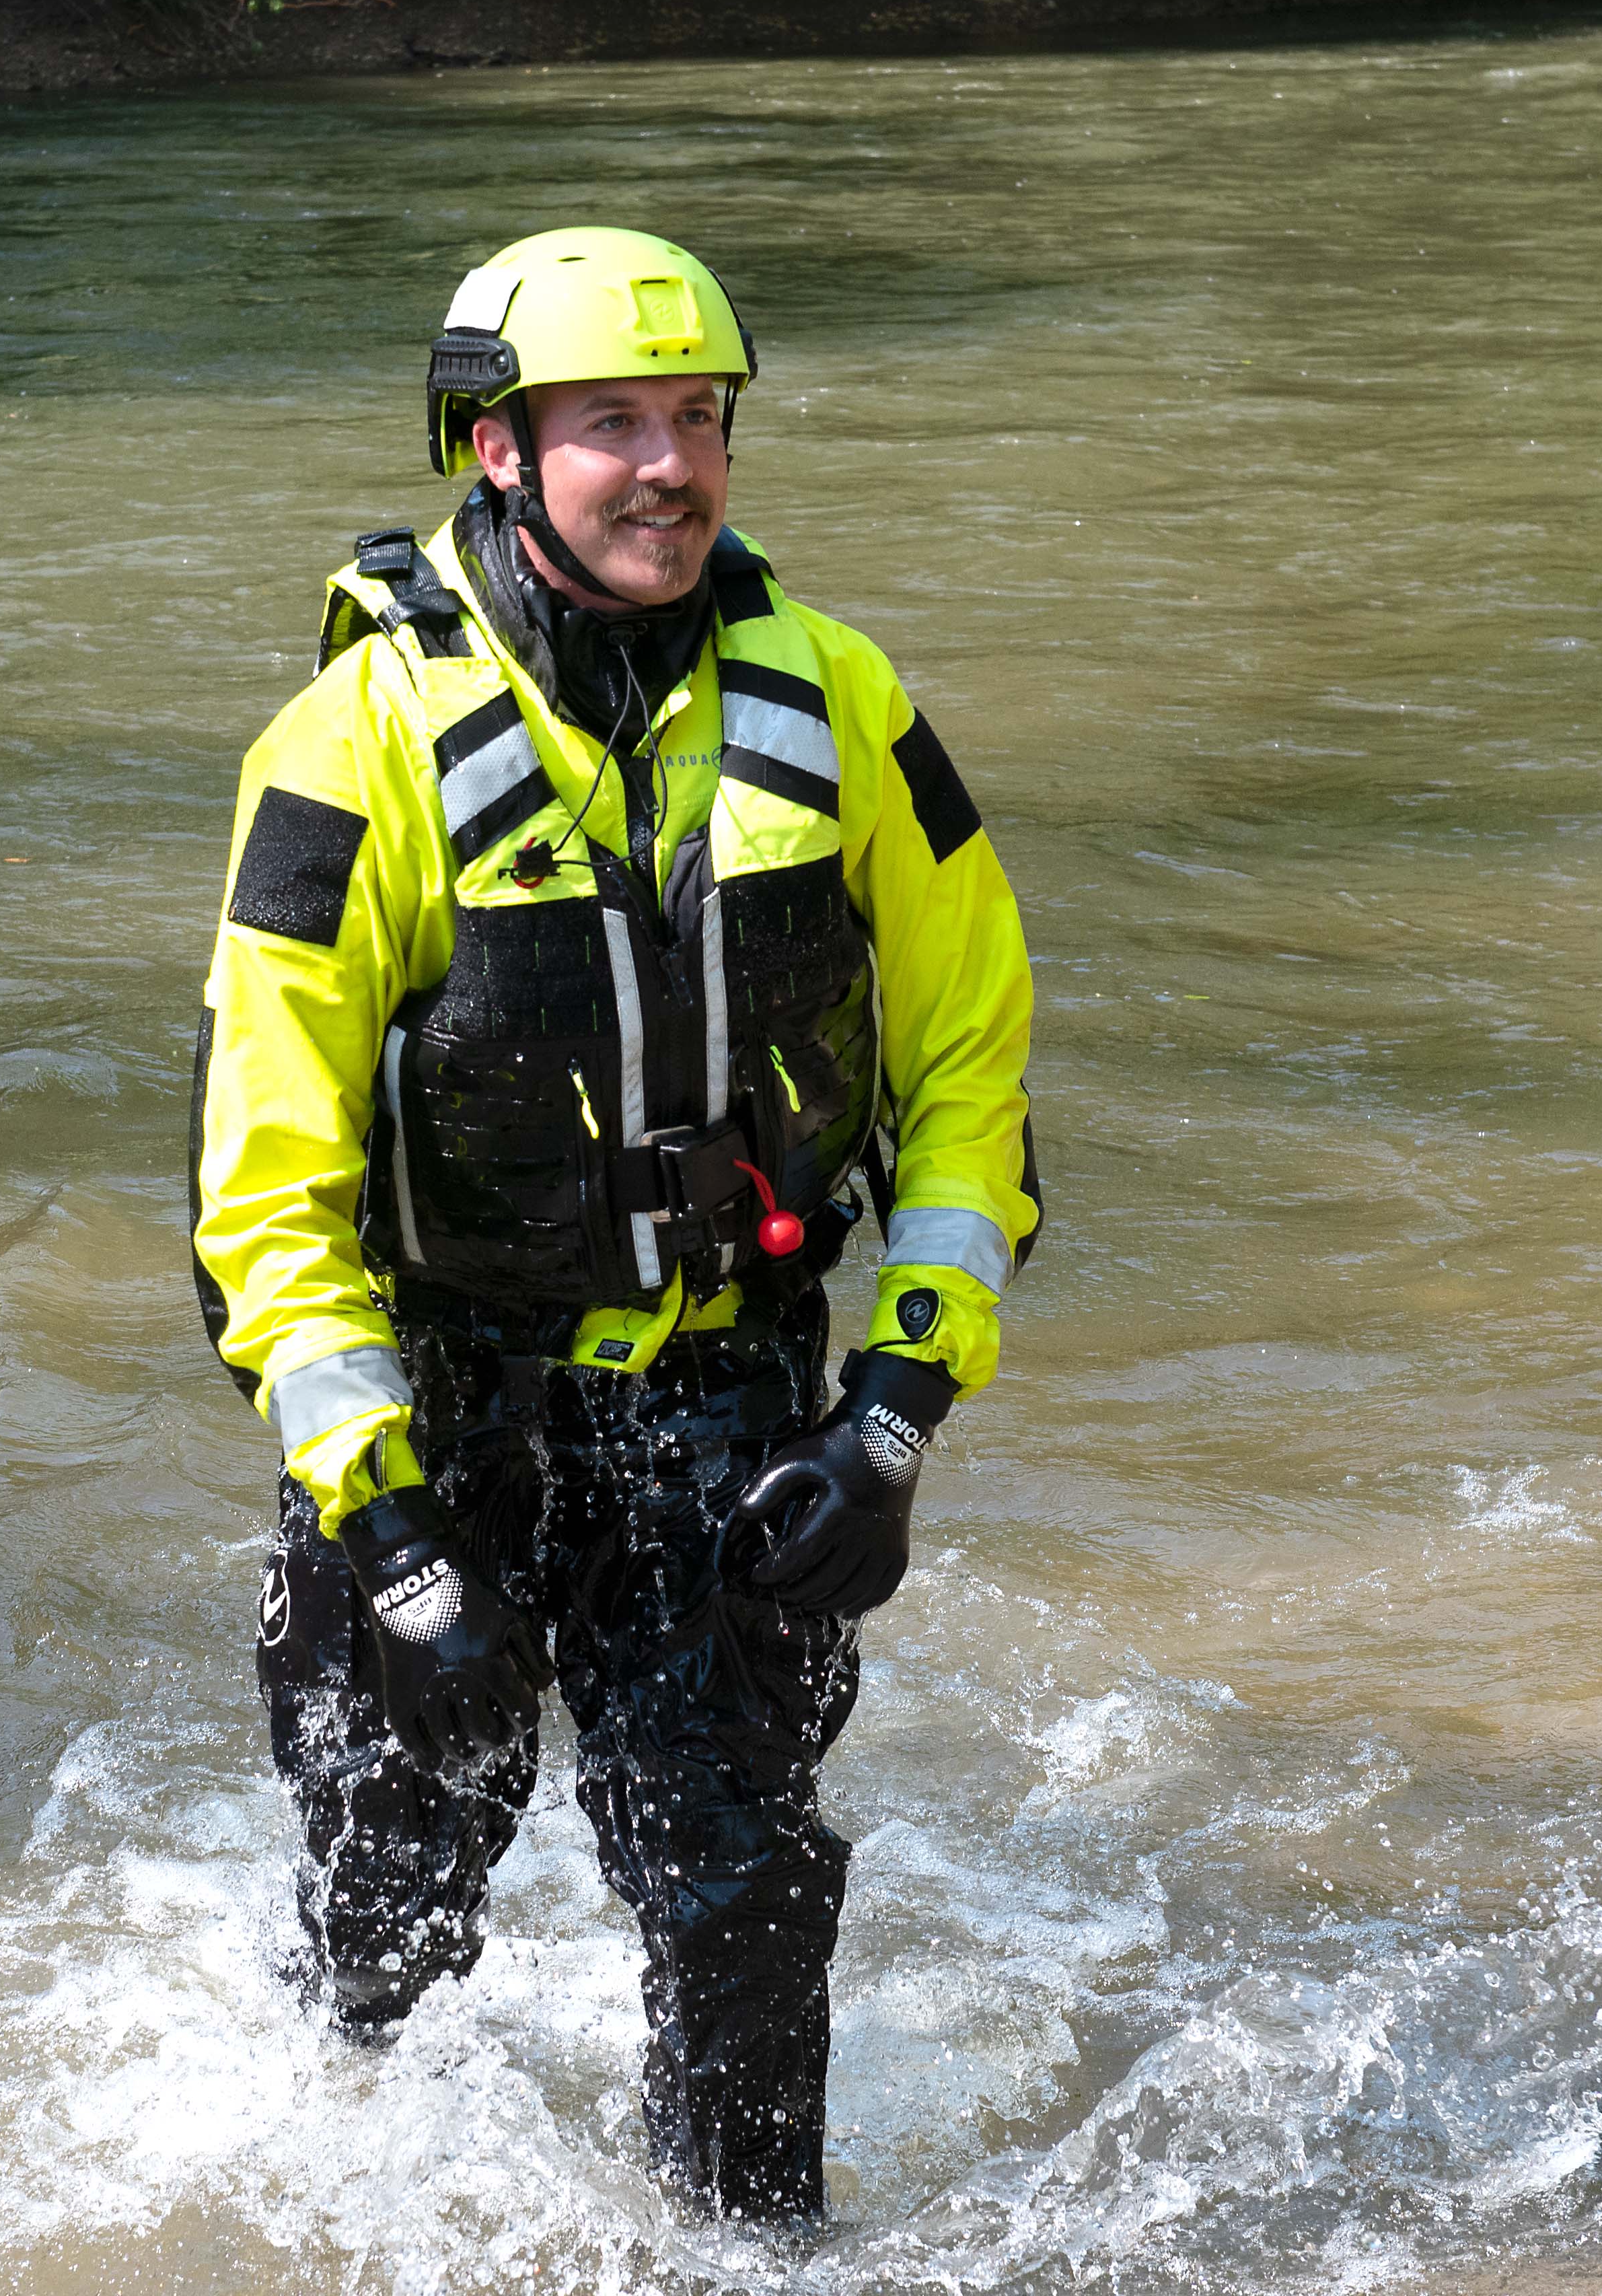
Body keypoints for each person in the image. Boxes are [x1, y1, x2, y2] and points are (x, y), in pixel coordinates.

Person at [189, 224, 1040, 2222]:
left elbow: (971, 1079)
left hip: (731, 1403)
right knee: (390, 1902)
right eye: (612, 428)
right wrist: (390, 1536)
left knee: (746, 1902)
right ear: (496, 451)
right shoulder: (352, 751)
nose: (669, 467)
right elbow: (269, 1186)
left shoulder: (838, 703)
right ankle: (306, 2214)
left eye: (698, 423)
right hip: (444, 1418)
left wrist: (895, 1416)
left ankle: (762, 2262)